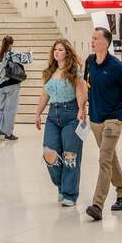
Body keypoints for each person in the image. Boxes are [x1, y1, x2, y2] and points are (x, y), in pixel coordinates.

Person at [83, 27, 122, 222]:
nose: (92, 41)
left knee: (104, 159)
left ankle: (97, 205)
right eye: (92, 38)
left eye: (95, 38)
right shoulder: (89, 62)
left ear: (105, 43)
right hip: (95, 118)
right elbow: (87, 86)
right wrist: (81, 108)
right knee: (110, 157)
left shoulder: (117, 67)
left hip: (113, 118)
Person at [36, 38, 87, 207]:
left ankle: (69, 194)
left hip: (71, 113)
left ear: (67, 53)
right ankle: (62, 185)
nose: (56, 52)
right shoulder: (50, 72)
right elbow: (45, 95)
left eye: (60, 49)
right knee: (49, 153)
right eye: (55, 50)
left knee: (70, 155)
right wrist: (38, 113)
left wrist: (81, 108)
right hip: (53, 114)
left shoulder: (74, 70)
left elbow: (80, 90)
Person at [0, 35, 32, 141]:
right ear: (11, 44)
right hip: (12, 85)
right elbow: (27, 60)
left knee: (1, 109)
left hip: (0, 87)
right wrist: (30, 53)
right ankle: (8, 133)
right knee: (10, 110)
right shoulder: (12, 54)